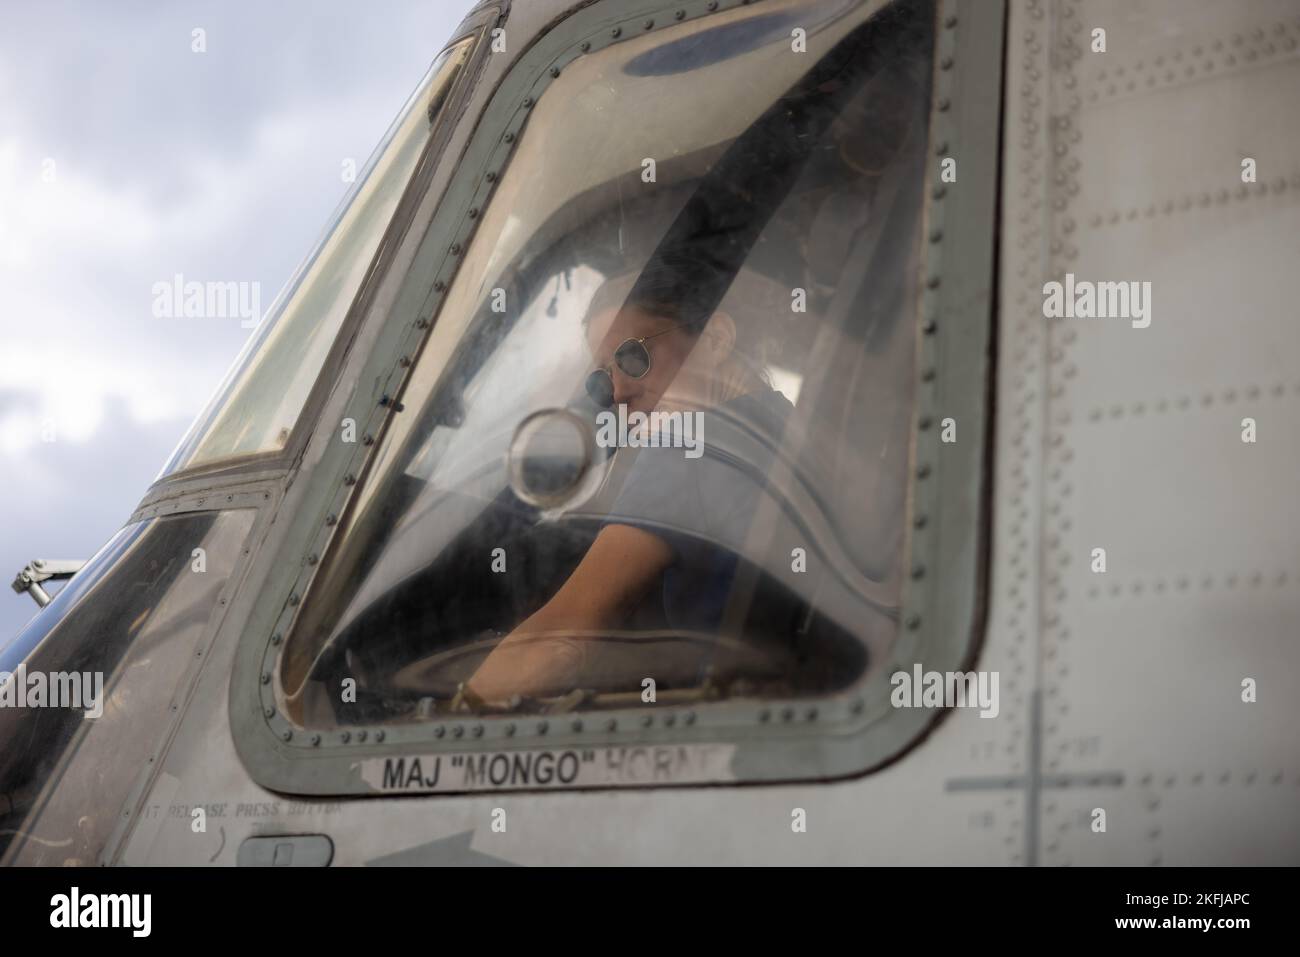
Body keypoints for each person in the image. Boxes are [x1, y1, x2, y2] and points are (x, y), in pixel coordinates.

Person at [463, 258, 799, 705]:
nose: (618, 393)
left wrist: (456, 712)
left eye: (633, 357)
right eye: (603, 379)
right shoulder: (787, 425)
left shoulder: (686, 446)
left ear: (717, 339)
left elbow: (561, 641)